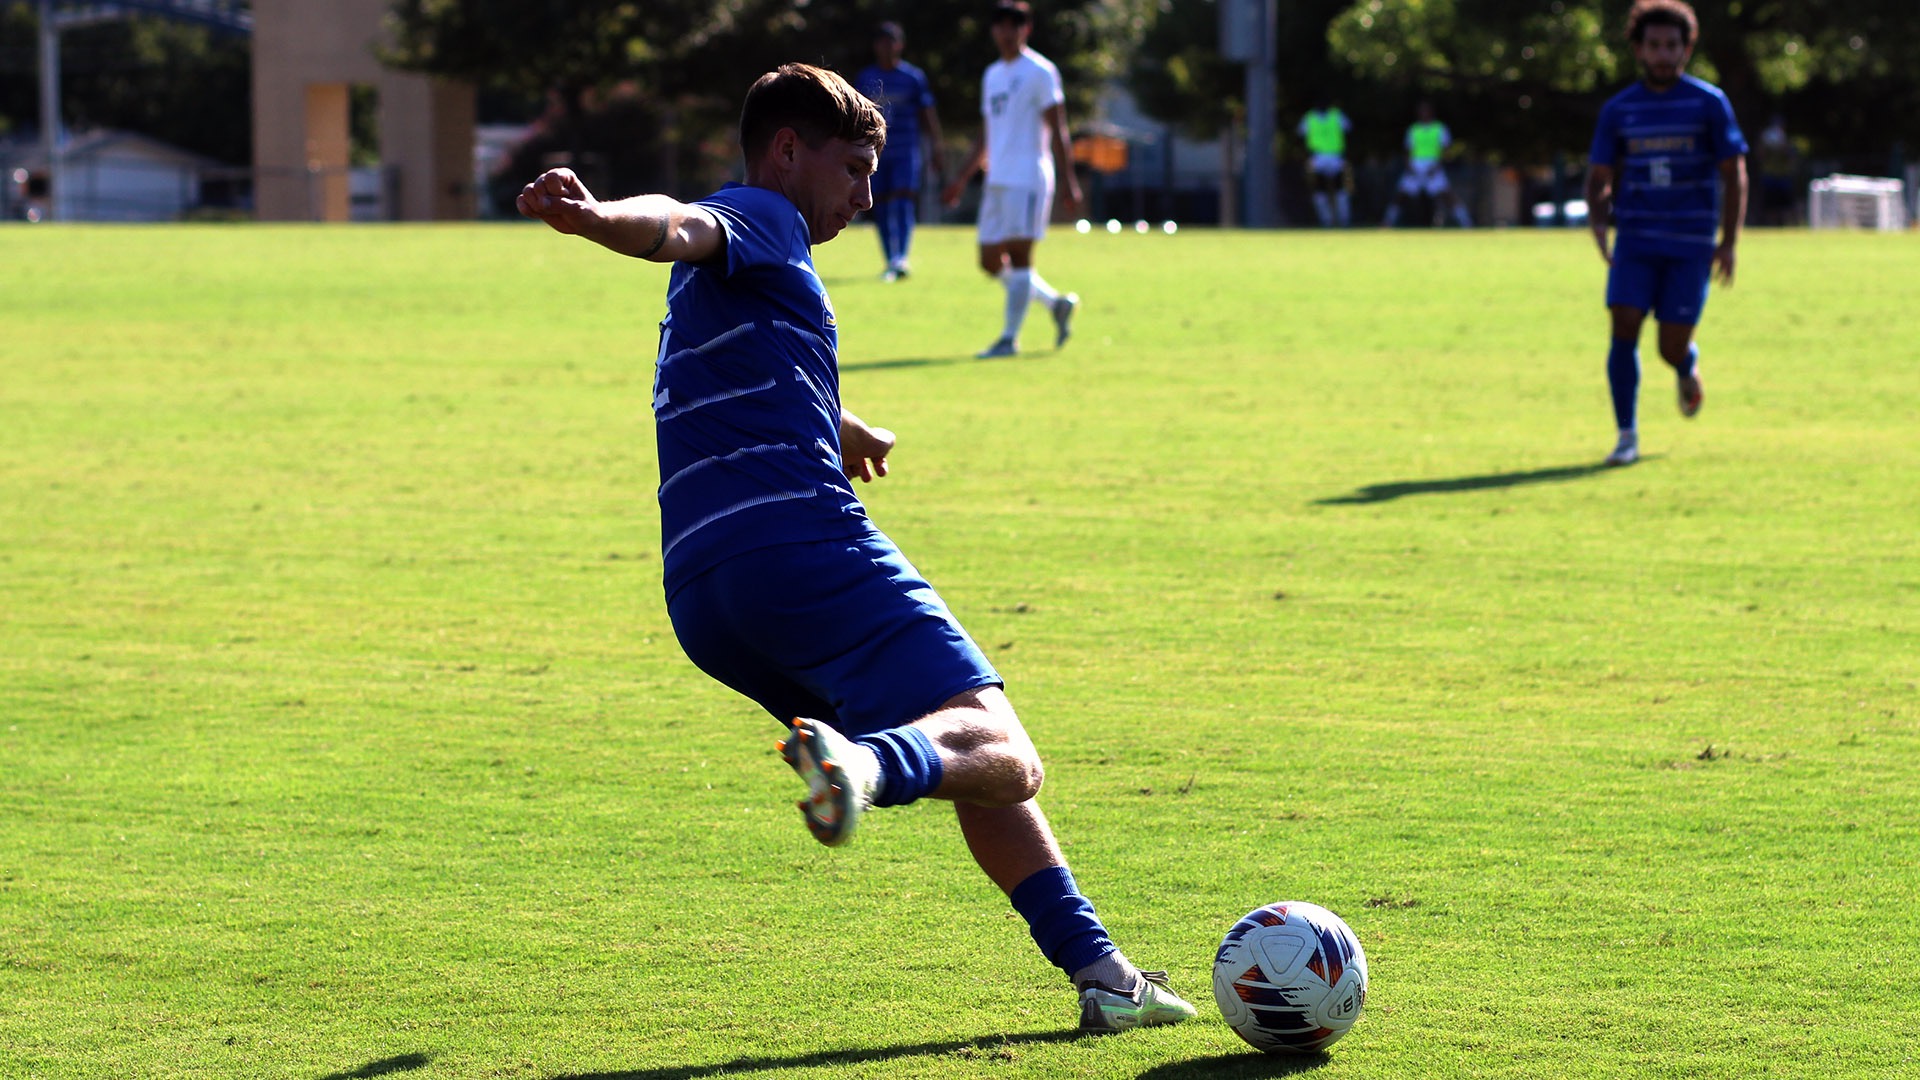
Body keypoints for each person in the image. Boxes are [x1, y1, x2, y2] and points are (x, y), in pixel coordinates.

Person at [516, 62, 1195, 1034]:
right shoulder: (760, 216)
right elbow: (677, 221)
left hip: (705, 598)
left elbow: (747, 362)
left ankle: (1106, 979)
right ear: (788, 151)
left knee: (958, 745)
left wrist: (840, 420)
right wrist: (596, 218)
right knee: (1005, 751)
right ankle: (862, 769)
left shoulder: (727, 283)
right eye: (853, 171)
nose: (866, 198)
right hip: (802, 548)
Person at [1585, 0, 1747, 467]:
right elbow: (1599, 176)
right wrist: (1599, 224)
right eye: (1653, 45)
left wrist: (1729, 242)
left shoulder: (1709, 103)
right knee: (1623, 324)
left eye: (1671, 46)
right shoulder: (1619, 109)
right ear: (1638, 49)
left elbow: (1734, 173)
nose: (1663, 54)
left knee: (1668, 345)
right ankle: (1626, 435)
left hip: (1690, 244)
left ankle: (1684, 363)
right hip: (1636, 239)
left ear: (1686, 49)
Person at [941, 1, 1083, 359]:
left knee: (1020, 255)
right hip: (998, 178)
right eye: (1001, 25)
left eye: (1014, 25)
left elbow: (1058, 128)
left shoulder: (1040, 71)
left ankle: (1008, 340)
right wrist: (962, 178)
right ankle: (1055, 303)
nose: (1006, 32)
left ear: (1026, 30)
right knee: (989, 260)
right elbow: (986, 134)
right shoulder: (992, 75)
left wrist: (1069, 180)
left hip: (1028, 176)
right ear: (993, 31)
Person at [854, 21, 945, 281]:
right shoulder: (866, 78)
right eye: (882, 42)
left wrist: (937, 146)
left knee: (903, 200)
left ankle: (901, 256)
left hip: (906, 152)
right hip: (876, 154)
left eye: (891, 41)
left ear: (900, 45)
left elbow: (927, 114)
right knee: (880, 204)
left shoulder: (913, 78)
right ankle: (890, 258)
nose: (887, 47)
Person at [1383, 102, 1472, 228]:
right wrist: (1410, 167)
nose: (1423, 113)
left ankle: (1466, 222)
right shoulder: (1413, 129)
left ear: (1431, 112)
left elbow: (1445, 151)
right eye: (1421, 111)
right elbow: (1407, 151)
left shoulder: (1440, 128)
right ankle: (1387, 222)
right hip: (1415, 166)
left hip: (1433, 165)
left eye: (1426, 110)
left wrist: (1436, 166)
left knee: (1447, 195)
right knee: (1401, 195)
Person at [1298, 97, 1352, 228]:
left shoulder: (1334, 115)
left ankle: (1342, 219)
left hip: (1333, 156)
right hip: (1320, 157)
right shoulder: (1311, 117)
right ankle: (1328, 220)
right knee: (1320, 191)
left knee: (1339, 190)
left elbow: (1348, 129)